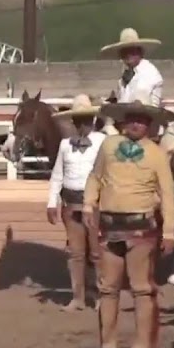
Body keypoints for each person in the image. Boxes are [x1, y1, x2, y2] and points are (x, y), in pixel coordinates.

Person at [83, 100, 174, 348]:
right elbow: (95, 176)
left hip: (142, 228)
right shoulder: (109, 146)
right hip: (110, 225)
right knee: (108, 287)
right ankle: (108, 344)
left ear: (149, 125)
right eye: (133, 119)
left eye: (142, 121)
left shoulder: (157, 154)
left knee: (142, 288)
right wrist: (89, 204)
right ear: (124, 121)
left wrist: (169, 232)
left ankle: (143, 346)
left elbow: (167, 194)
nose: (137, 124)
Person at [46, 95, 106, 310]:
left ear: (93, 120)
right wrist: (51, 202)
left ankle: (101, 296)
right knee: (75, 253)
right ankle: (78, 297)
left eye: (86, 119)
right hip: (70, 203)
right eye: (79, 120)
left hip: (94, 204)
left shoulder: (103, 142)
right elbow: (58, 175)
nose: (83, 124)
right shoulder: (64, 145)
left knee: (97, 251)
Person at [98, 28, 164, 134]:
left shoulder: (150, 74)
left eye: (132, 51)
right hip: (126, 129)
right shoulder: (123, 77)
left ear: (140, 51)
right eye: (124, 51)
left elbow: (150, 110)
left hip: (146, 130)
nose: (128, 55)